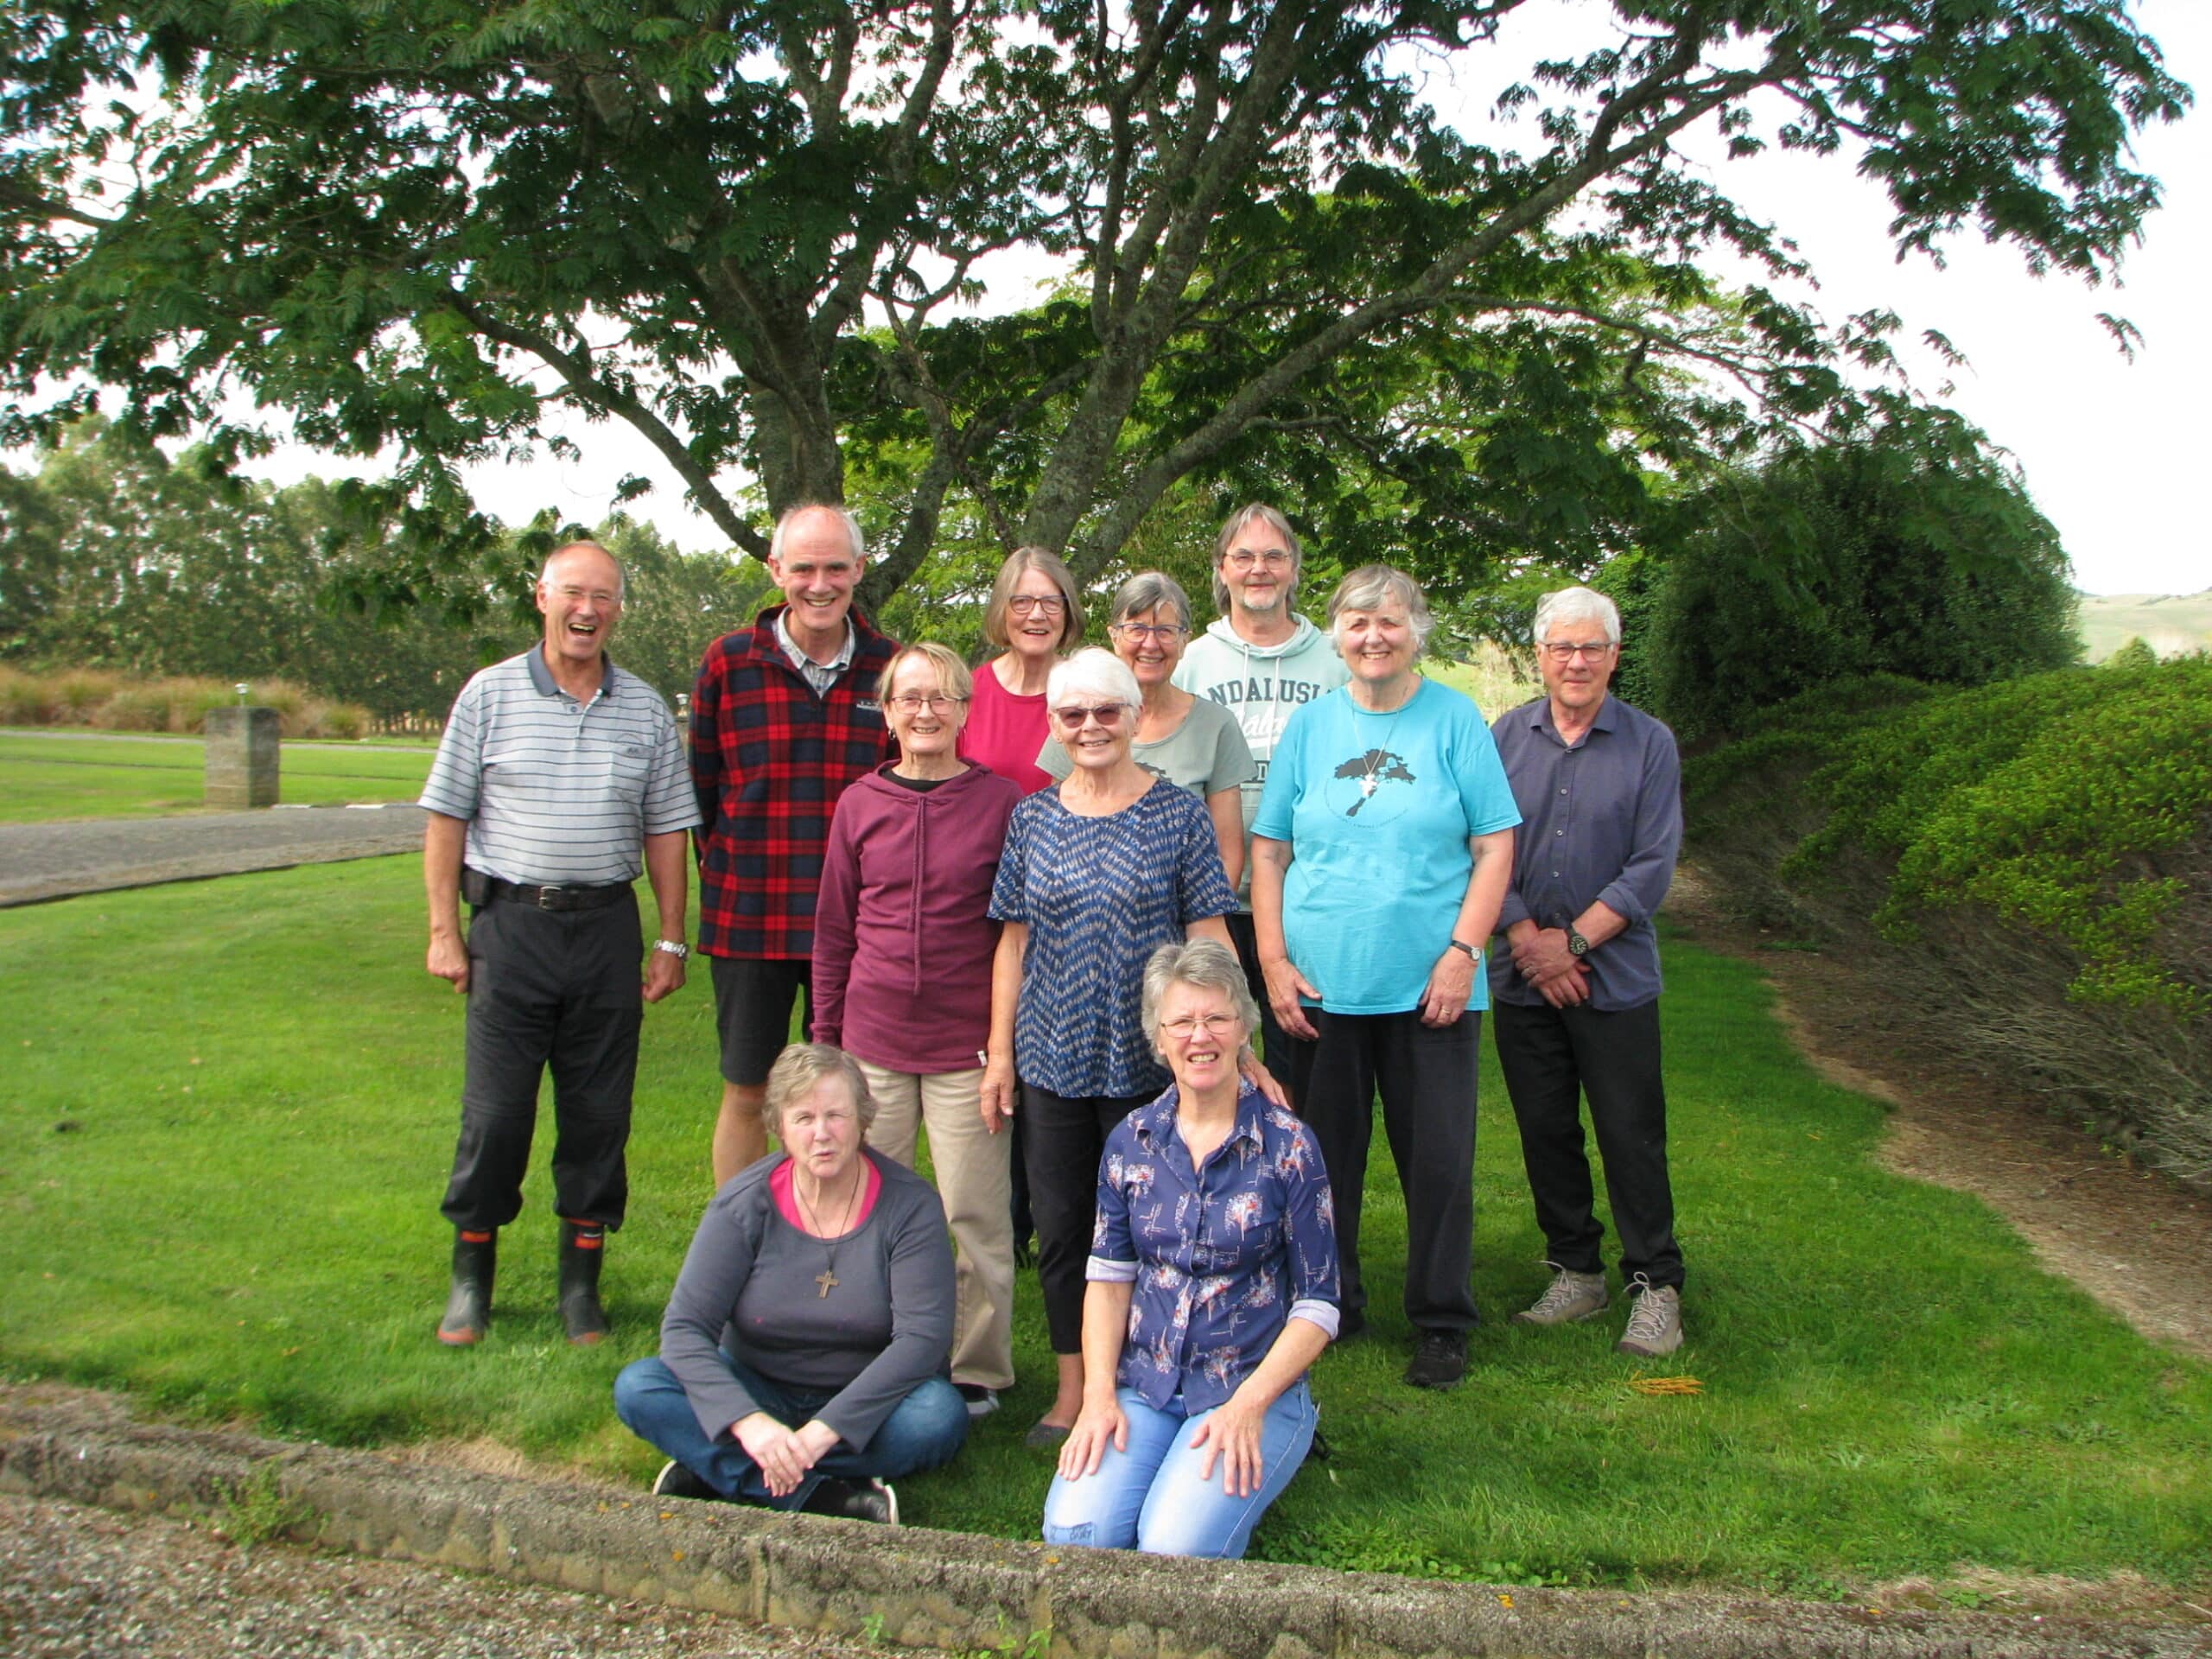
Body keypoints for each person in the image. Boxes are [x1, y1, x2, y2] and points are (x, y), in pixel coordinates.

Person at [419, 541, 699, 1347]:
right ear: (541, 596)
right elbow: (446, 820)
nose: (587, 610)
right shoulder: (489, 695)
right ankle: (472, 1278)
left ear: (618, 609)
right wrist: (445, 933)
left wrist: (671, 941)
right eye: (573, 593)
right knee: (497, 1116)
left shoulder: (645, 708)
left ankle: (580, 1287)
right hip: (510, 931)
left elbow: (666, 830)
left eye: (603, 597)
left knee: (597, 1118)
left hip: (607, 931)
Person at [1250, 565, 1520, 1390]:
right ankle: (1333, 1306)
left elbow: (1494, 844)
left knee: (1437, 1161)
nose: (1374, 636)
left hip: (1430, 988)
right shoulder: (1311, 727)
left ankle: (1442, 1319)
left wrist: (1462, 952)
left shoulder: (1455, 720)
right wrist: (1273, 961)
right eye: (1358, 622)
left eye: (1390, 622)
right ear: (1336, 633)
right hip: (1322, 989)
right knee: (1324, 1164)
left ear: (1417, 631)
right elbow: (1269, 848)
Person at [981, 648, 1242, 1447]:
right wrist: (999, 1053)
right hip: (1052, 1059)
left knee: (1151, 1229)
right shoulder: (1033, 817)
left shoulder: (1176, 815)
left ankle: (1141, 1382)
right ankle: (1073, 1390)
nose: (1090, 727)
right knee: (1062, 1229)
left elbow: (1207, 932)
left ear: (1133, 717)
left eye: (1105, 711)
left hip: (1147, 1064)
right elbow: (1012, 944)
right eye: (1072, 714)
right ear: (1053, 725)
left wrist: (1236, 1039)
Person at [1042, 940, 1338, 1559]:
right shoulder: (1131, 1141)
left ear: (1243, 1031)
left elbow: (1319, 1305)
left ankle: (1286, 1437)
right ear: (1158, 1038)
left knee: (1174, 1552)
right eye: (1181, 1021)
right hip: (1145, 1383)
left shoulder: (1289, 1147)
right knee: (1076, 1537)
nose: (1199, 1037)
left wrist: (1250, 1405)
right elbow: (1109, 1275)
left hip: (1247, 1386)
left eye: (1216, 1019)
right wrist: (1098, 1396)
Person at [612, 1044, 968, 1524]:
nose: (822, 1134)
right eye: (803, 1118)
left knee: (936, 1417)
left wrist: (823, 1431)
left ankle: (717, 1468)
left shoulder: (910, 1207)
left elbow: (922, 1342)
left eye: (836, 1115)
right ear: (779, 1126)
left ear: (863, 1119)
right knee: (639, 1387)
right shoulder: (742, 1204)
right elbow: (684, 1329)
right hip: (756, 1386)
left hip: (865, 1397)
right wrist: (751, 1424)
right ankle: (824, 1496)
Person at [812, 641, 1024, 1418]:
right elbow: (835, 931)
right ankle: (865, 1353)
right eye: (910, 699)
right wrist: (826, 1041)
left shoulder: (1001, 804)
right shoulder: (859, 804)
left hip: (966, 1048)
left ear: (966, 711)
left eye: (942, 698)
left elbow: (1016, 934)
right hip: (870, 1046)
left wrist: (1003, 1047)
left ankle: (978, 1370)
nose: (926, 712)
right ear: (889, 712)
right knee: (864, 1210)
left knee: (973, 1215)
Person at [1490, 586, 1687, 1357]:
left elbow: (1652, 866)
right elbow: (1482, 849)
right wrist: (1529, 940)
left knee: (1630, 1134)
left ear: (1614, 653)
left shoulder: (1649, 743)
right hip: (1522, 980)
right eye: (1562, 648)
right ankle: (1575, 1269)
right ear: (1539, 656)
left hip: (1616, 980)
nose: (1577, 662)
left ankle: (1656, 1282)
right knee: (1546, 1132)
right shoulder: (1504, 738)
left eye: (1592, 648)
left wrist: (1568, 946)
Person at [691, 504, 897, 1185]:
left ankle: (834, 1239)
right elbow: (701, 792)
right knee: (749, 1091)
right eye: (803, 567)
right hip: (752, 917)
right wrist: (728, 872)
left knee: (845, 1098)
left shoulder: (889, 668)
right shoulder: (728, 662)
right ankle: (739, 1243)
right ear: (775, 569)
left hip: (857, 927)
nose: (819, 583)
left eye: (835, 567)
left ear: (859, 571)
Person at [1173, 505, 1350, 1062]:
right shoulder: (1190, 662)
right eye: (1243, 556)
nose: (1259, 569)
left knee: (1303, 1053)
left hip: (1307, 896)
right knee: (1213, 1050)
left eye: (1274, 556)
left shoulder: (1335, 662)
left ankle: (1294, 1150)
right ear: (1221, 569)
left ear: (1295, 569)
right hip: (1208, 898)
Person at [1037, 571, 1254, 890]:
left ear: (1184, 642)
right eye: (1136, 629)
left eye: (1166, 631)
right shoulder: (1079, 721)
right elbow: (1055, 835)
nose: (1150, 644)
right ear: (1114, 636)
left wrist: (1199, 928)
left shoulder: (1216, 726)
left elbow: (1227, 854)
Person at [960, 546, 1085, 796]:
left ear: (1067, 612)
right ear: (1001, 610)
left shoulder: (1089, 693)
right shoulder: (968, 692)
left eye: (1051, 602)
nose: (1037, 615)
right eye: (1022, 602)